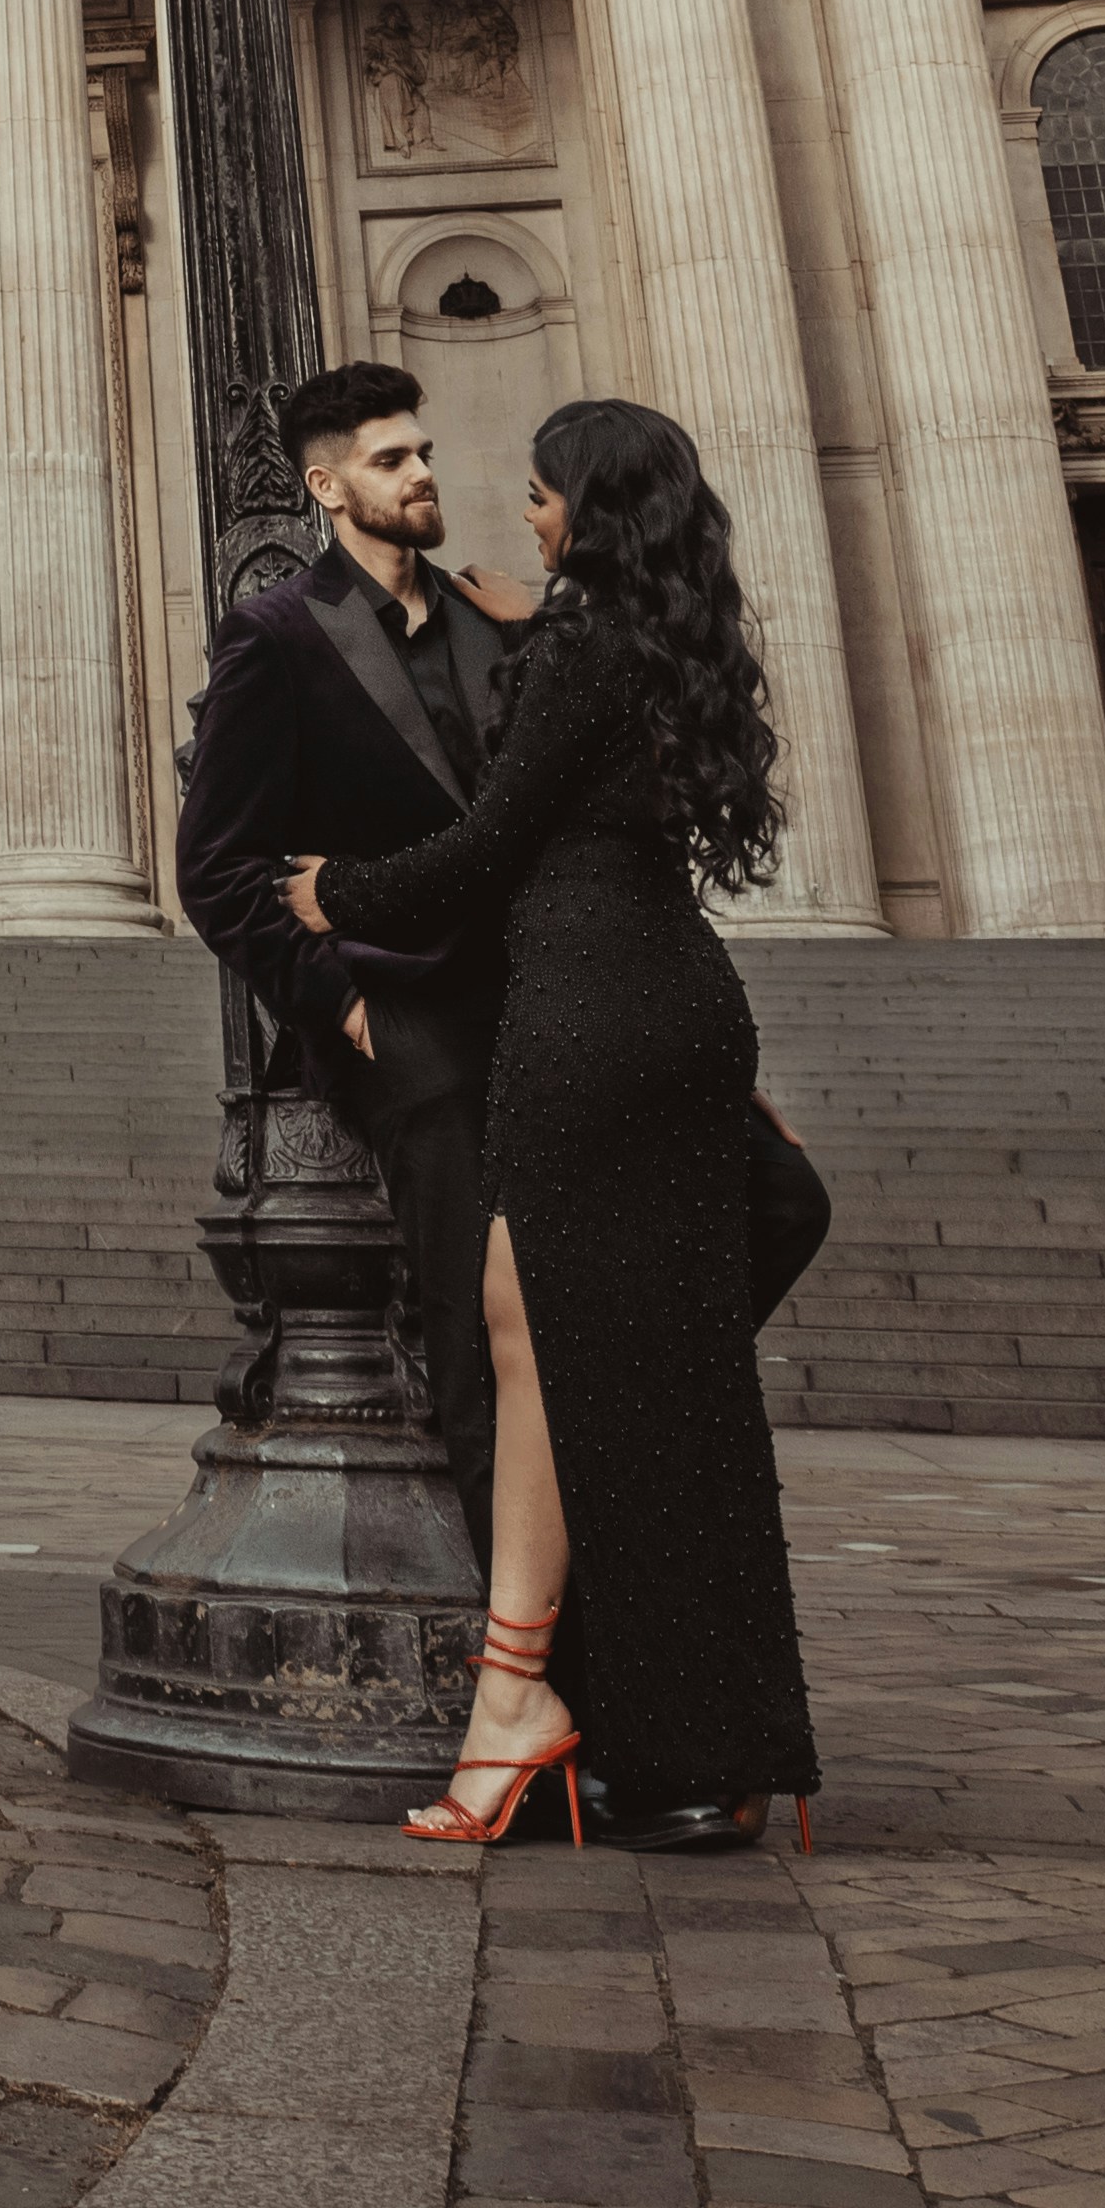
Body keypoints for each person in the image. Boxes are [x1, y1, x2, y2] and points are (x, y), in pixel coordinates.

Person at [277, 394, 825, 1854]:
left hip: (586, 1017)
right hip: (672, 1000)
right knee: (559, 1340)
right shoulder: (659, 636)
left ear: (586, 505)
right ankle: (583, 1712)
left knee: (599, 1367)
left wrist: (337, 896)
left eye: (538, 493)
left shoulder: (579, 643)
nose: (517, 512)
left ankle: (578, 1716)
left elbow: (491, 845)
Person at [170, 365, 527, 1501]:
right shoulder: (276, 635)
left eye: (421, 451)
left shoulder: (487, 617)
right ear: (325, 485)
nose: (422, 472)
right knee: (473, 1312)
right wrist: (341, 1001)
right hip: (404, 1012)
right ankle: (498, 1608)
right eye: (391, 459)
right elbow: (216, 869)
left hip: (537, 992)